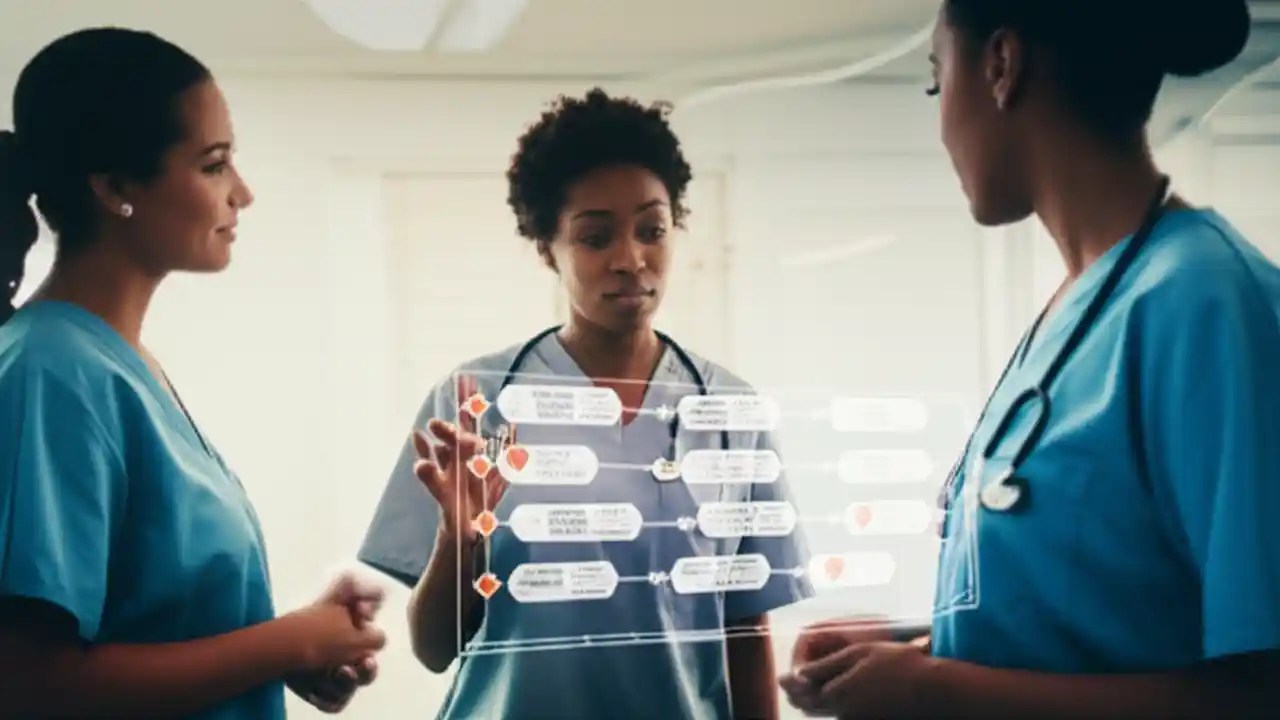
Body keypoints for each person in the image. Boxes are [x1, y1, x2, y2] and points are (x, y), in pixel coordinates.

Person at [781, 0, 1280, 717]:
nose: (941, 124)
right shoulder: (1080, 306)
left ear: (1001, 66)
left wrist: (931, 690)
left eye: (935, 80)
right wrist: (908, 652)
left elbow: (1259, 691)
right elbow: (1095, 624)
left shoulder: (1207, 304)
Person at [358, 87, 814, 719]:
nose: (631, 260)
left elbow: (746, 626)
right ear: (548, 247)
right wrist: (460, 540)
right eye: (596, 238)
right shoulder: (477, 401)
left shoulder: (730, 409)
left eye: (652, 230)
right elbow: (435, 650)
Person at [0, 28, 387, 718]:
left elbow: (142, 626)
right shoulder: (52, 371)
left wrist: (291, 653)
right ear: (117, 187)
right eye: (213, 165)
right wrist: (287, 644)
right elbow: (32, 683)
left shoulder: (116, 363)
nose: (243, 193)